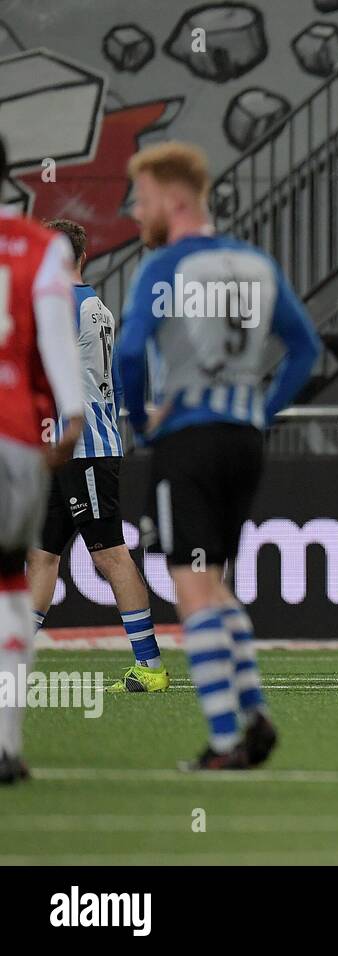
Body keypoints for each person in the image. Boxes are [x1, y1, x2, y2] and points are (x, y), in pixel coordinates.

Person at [116, 142, 322, 769]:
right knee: (217, 584)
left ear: (177, 198)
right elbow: (305, 348)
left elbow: (128, 354)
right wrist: (261, 409)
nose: (136, 211)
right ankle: (253, 715)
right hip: (242, 439)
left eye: (144, 198)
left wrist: (140, 419)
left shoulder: (166, 267)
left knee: (191, 587)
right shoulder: (256, 263)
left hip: (189, 439)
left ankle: (227, 739)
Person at [25, 218, 167, 694]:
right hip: (79, 448)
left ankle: (150, 666)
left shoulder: (60, 305)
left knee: (109, 556)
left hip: (82, 450)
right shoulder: (98, 306)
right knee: (42, 556)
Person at [0, 135, 85, 784]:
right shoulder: (42, 248)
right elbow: (58, 344)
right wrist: (73, 416)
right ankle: (5, 745)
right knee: (9, 590)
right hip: (16, 436)